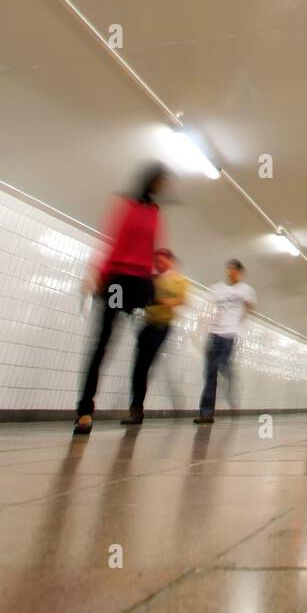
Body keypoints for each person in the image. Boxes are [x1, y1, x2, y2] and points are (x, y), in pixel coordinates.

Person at [74, 163, 170, 435]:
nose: (163, 186)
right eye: (160, 181)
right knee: (103, 344)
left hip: (141, 284)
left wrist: (155, 287)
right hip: (118, 283)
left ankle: (136, 406)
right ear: (150, 180)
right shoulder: (126, 205)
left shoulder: (155, 212)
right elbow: (113, 242)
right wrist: (96, 272)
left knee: (146, 347)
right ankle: (84, 411)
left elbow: (150, 250)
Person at [121, 248, 188, 425]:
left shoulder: (179, 281)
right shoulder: (151, 279)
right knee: (139, 368)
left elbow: (181, 300)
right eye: (156, 261)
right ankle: (136, 409)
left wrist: (162, 300)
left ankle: (137, 409)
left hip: (162, 327)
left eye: (161, 261)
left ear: (170, 261)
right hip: (146, 325)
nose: (158, 264)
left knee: (144, 365)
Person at [194, 260, 256, 425]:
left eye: (235, 271)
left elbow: (250, 308)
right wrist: (206, 321)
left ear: (240, 273)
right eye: (229, 270)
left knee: (221, 366)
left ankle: (229, 377)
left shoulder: (246, 290)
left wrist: (239, 323)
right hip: (214, 334)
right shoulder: (217, 289)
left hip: (229, 335)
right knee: (210, 373)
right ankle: (206, 413)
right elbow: (208, 308)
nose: (231, 273)